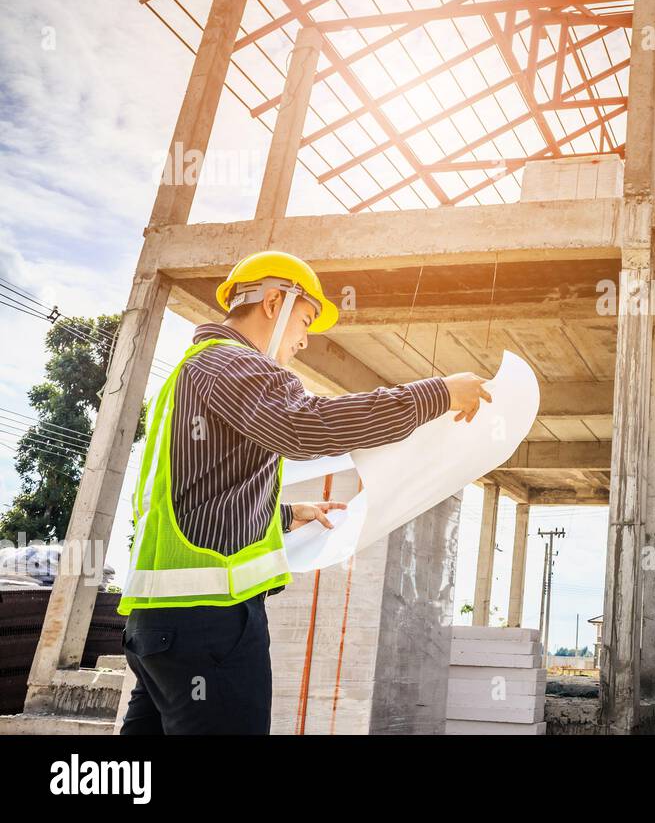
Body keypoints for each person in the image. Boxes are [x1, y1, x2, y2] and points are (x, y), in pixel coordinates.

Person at [117, 250, 491, 734]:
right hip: (210, 625)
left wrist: (287, 514)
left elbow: (196, 501)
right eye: (306, 318)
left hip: (159, 628)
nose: (306, 339)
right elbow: (307, 425)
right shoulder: (234, 366)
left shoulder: (191, 371)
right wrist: (437, 393)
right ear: (274, 301)